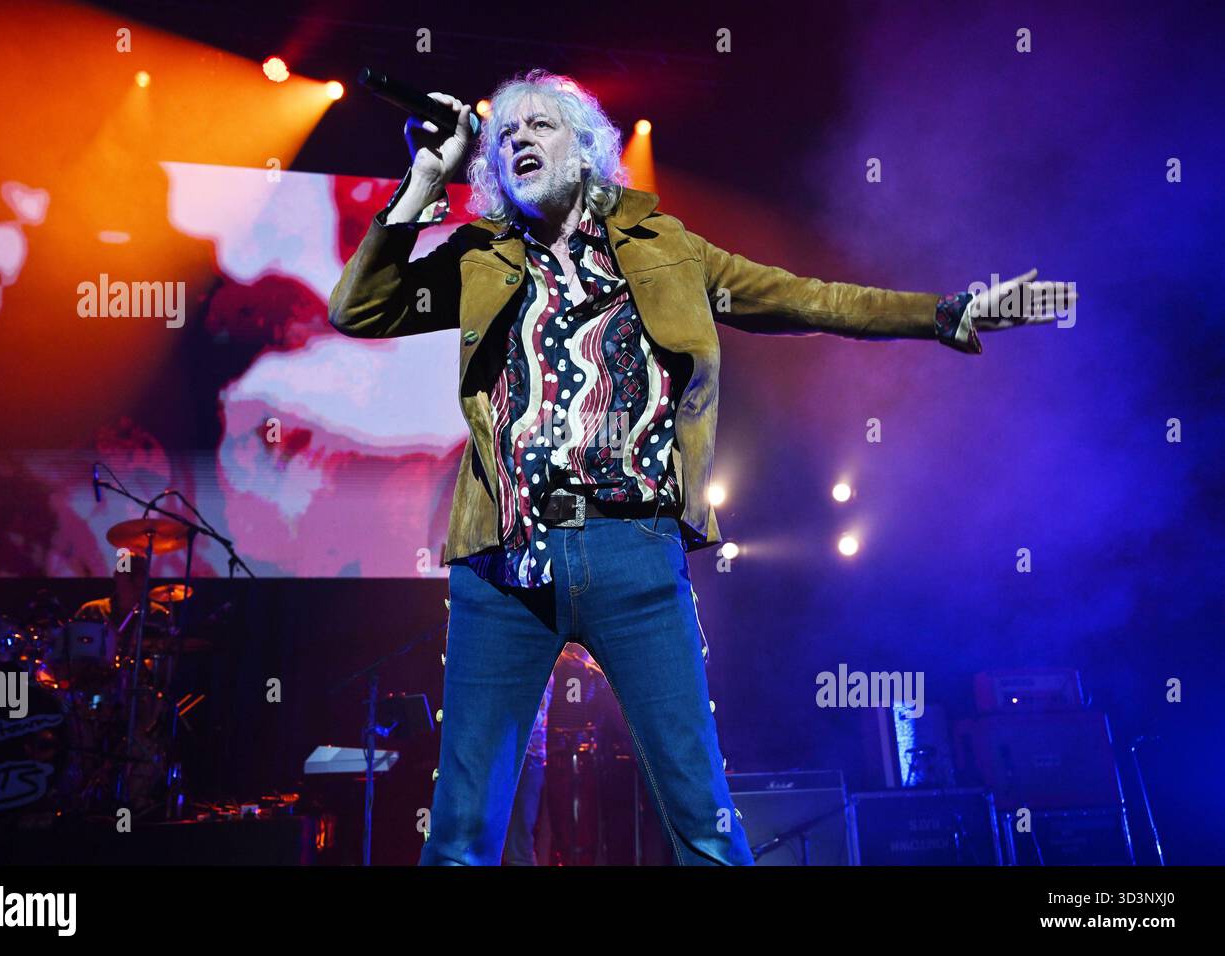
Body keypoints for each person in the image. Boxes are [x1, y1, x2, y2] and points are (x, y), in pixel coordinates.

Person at [329, 69, 1074, 865]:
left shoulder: (668, 249)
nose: (518, 140)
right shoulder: (481, 255)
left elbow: (807, 298)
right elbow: (359, 308)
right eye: (507, 135)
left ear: (585, 152)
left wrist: (946, 312)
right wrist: (423, 179)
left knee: (702, 816)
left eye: (539, 127)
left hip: (634, 553)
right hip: (503, 562)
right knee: (459, 832)